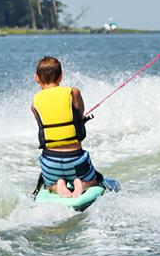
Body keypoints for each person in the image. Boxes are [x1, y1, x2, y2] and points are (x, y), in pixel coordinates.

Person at [31, 56, 113, 197]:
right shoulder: (73, 93)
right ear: (61, 77)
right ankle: (81, 183)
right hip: (76, 160)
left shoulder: (34, 104)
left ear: (37, 78)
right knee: (94, 181)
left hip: (50, 163)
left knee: (49, 185)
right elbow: (79, 114)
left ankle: (57, 185)